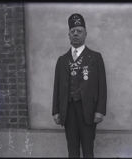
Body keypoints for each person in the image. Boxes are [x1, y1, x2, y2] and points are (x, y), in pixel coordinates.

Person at [52, 13, 107, 158]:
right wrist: (56, 110)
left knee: (88, 149)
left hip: (88, 110)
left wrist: (100, 110)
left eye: (79, 31)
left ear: (85, 34)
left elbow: (103, 86)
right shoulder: (62, 60)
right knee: (72, 149)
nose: (76, 34)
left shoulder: (95, 57)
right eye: (73, 31)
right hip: (68, 110)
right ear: (69, 35)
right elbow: (56, 87)